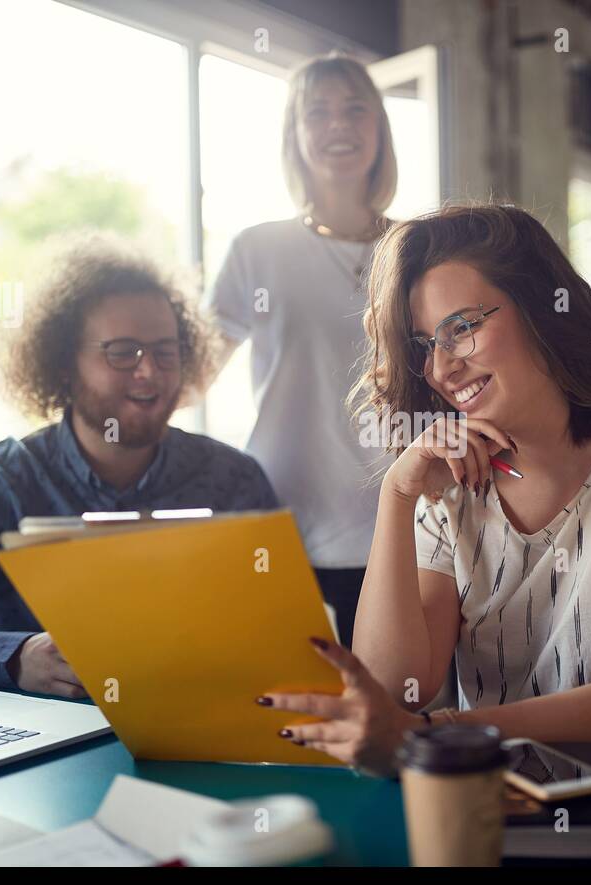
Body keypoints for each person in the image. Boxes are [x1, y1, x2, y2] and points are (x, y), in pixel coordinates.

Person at [256, 204, 591, 776]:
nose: (440, 368)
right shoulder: (450, 488)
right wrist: (397, 496)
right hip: (495, 813)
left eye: (462, 327)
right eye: (423, 345)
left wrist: (438, 734)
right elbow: (393, 691)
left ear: (540, 309)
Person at [0, 234, 277, 697]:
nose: (148, 372)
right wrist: (14, 658)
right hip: (53, 743)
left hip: (204, 729)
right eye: (122, 352)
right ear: (64, 363)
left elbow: (278, 624)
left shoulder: (234, 479)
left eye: (164, 351)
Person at [203, 53, 397, 648]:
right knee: (296, 727)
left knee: (398, 723)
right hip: (280, 526)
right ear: (296, 135)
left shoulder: (418, 247)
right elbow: (186, 380)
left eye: (354, 109)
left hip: (400, 525)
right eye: (318, 112)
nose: (338, 124)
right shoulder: (256, 249)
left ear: (379, 129)